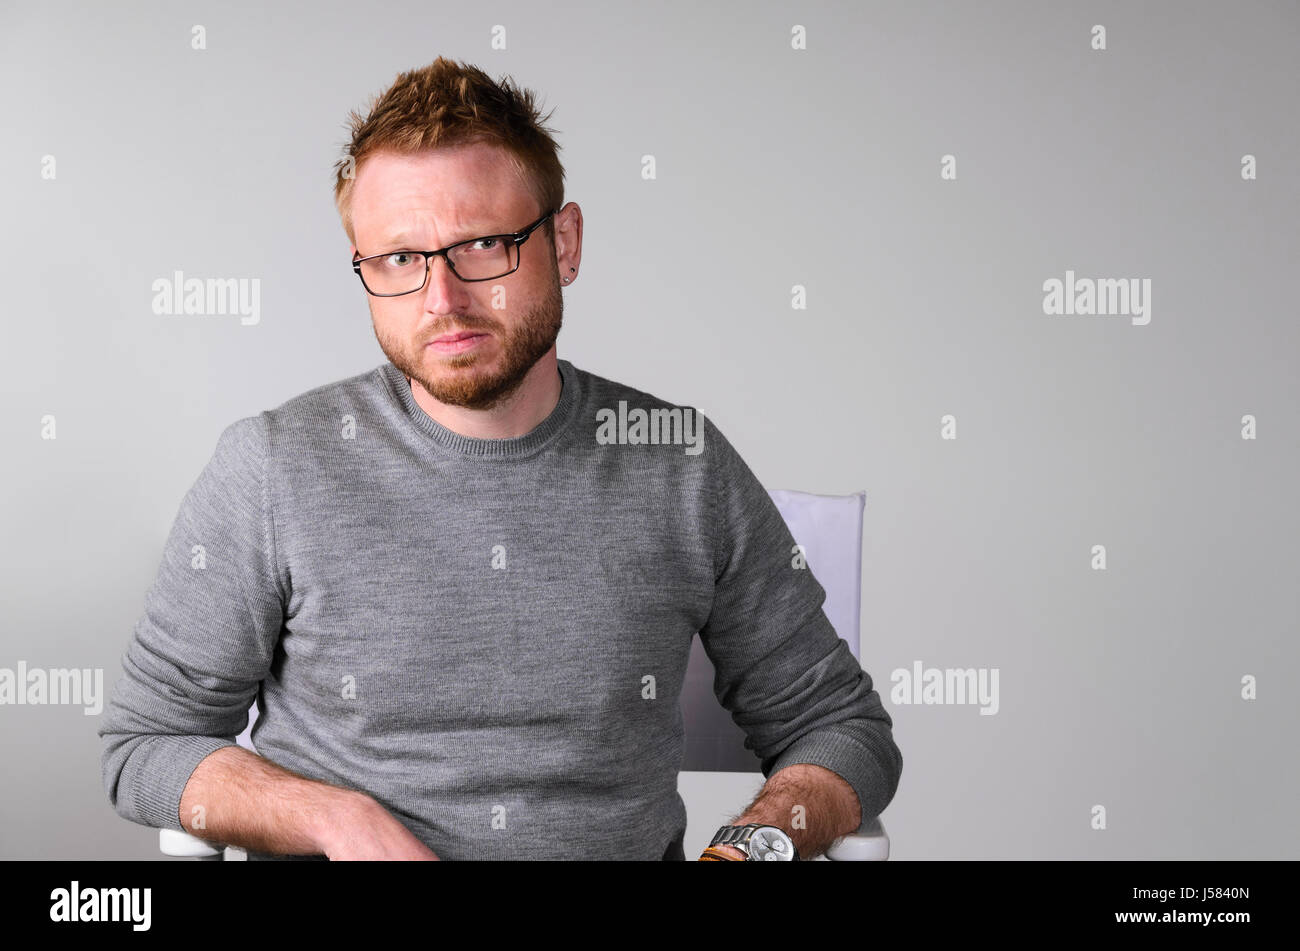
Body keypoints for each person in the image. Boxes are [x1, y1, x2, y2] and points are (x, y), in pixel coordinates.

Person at [98, 56, 902, 861]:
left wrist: (745, 850)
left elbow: (840, 729)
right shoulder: (272, 467)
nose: (441, 299)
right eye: (400, 260)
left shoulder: (681, 463)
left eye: (483, 244)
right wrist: (339, 822)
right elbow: (145, 742)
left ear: (565, 241)